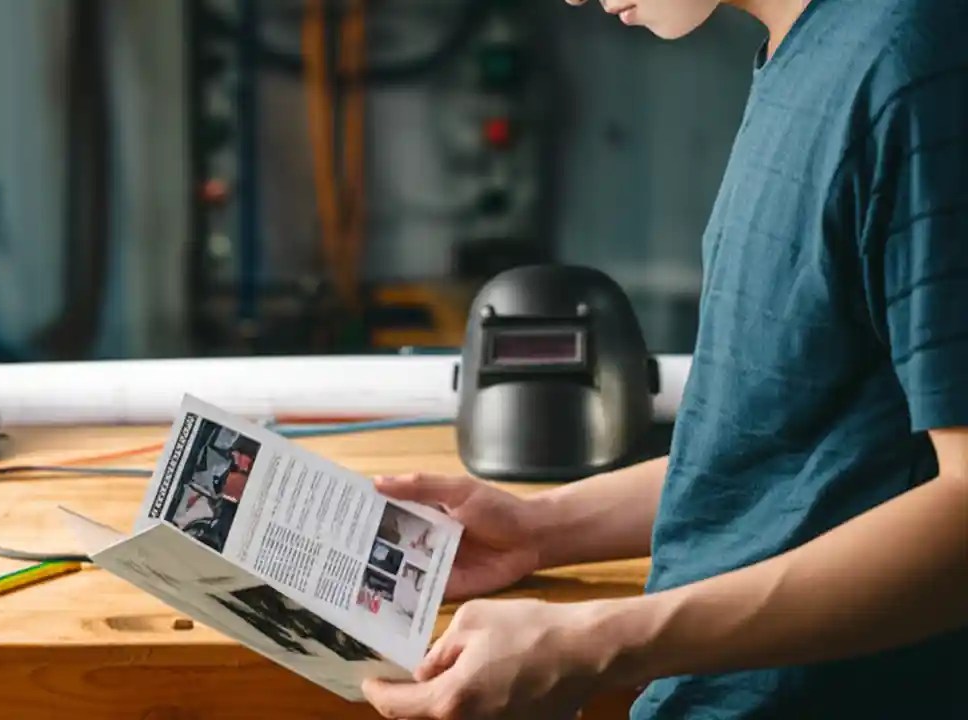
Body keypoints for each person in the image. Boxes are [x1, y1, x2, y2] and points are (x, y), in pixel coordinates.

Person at [361, 0, 968, 718]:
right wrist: (538, 529)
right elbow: (791, 455)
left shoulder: (912, 63)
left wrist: (595, 642)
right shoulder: (807, 54)